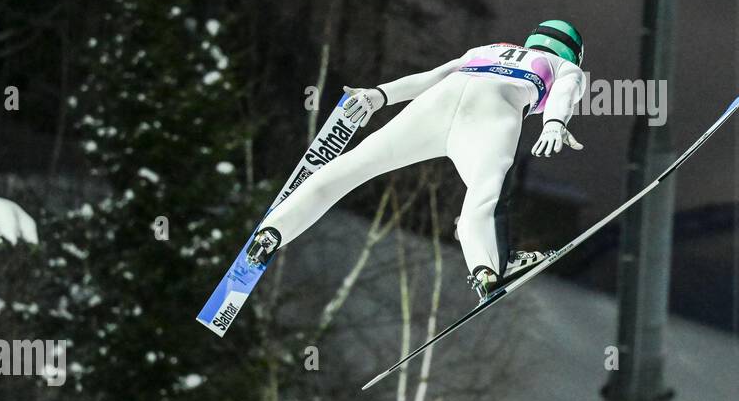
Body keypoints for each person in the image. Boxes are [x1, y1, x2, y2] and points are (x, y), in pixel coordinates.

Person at [249, 20, 588, 302]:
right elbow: (564, 91)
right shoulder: (566, 66)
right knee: (484, 197)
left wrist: (379, 95)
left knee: (354, 165)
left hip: (435, 104)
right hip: (492, 113)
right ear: (572, 52)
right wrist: (555, 123)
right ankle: (486, 270)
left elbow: (433, 76)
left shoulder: (489, 49)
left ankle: (273, 230)